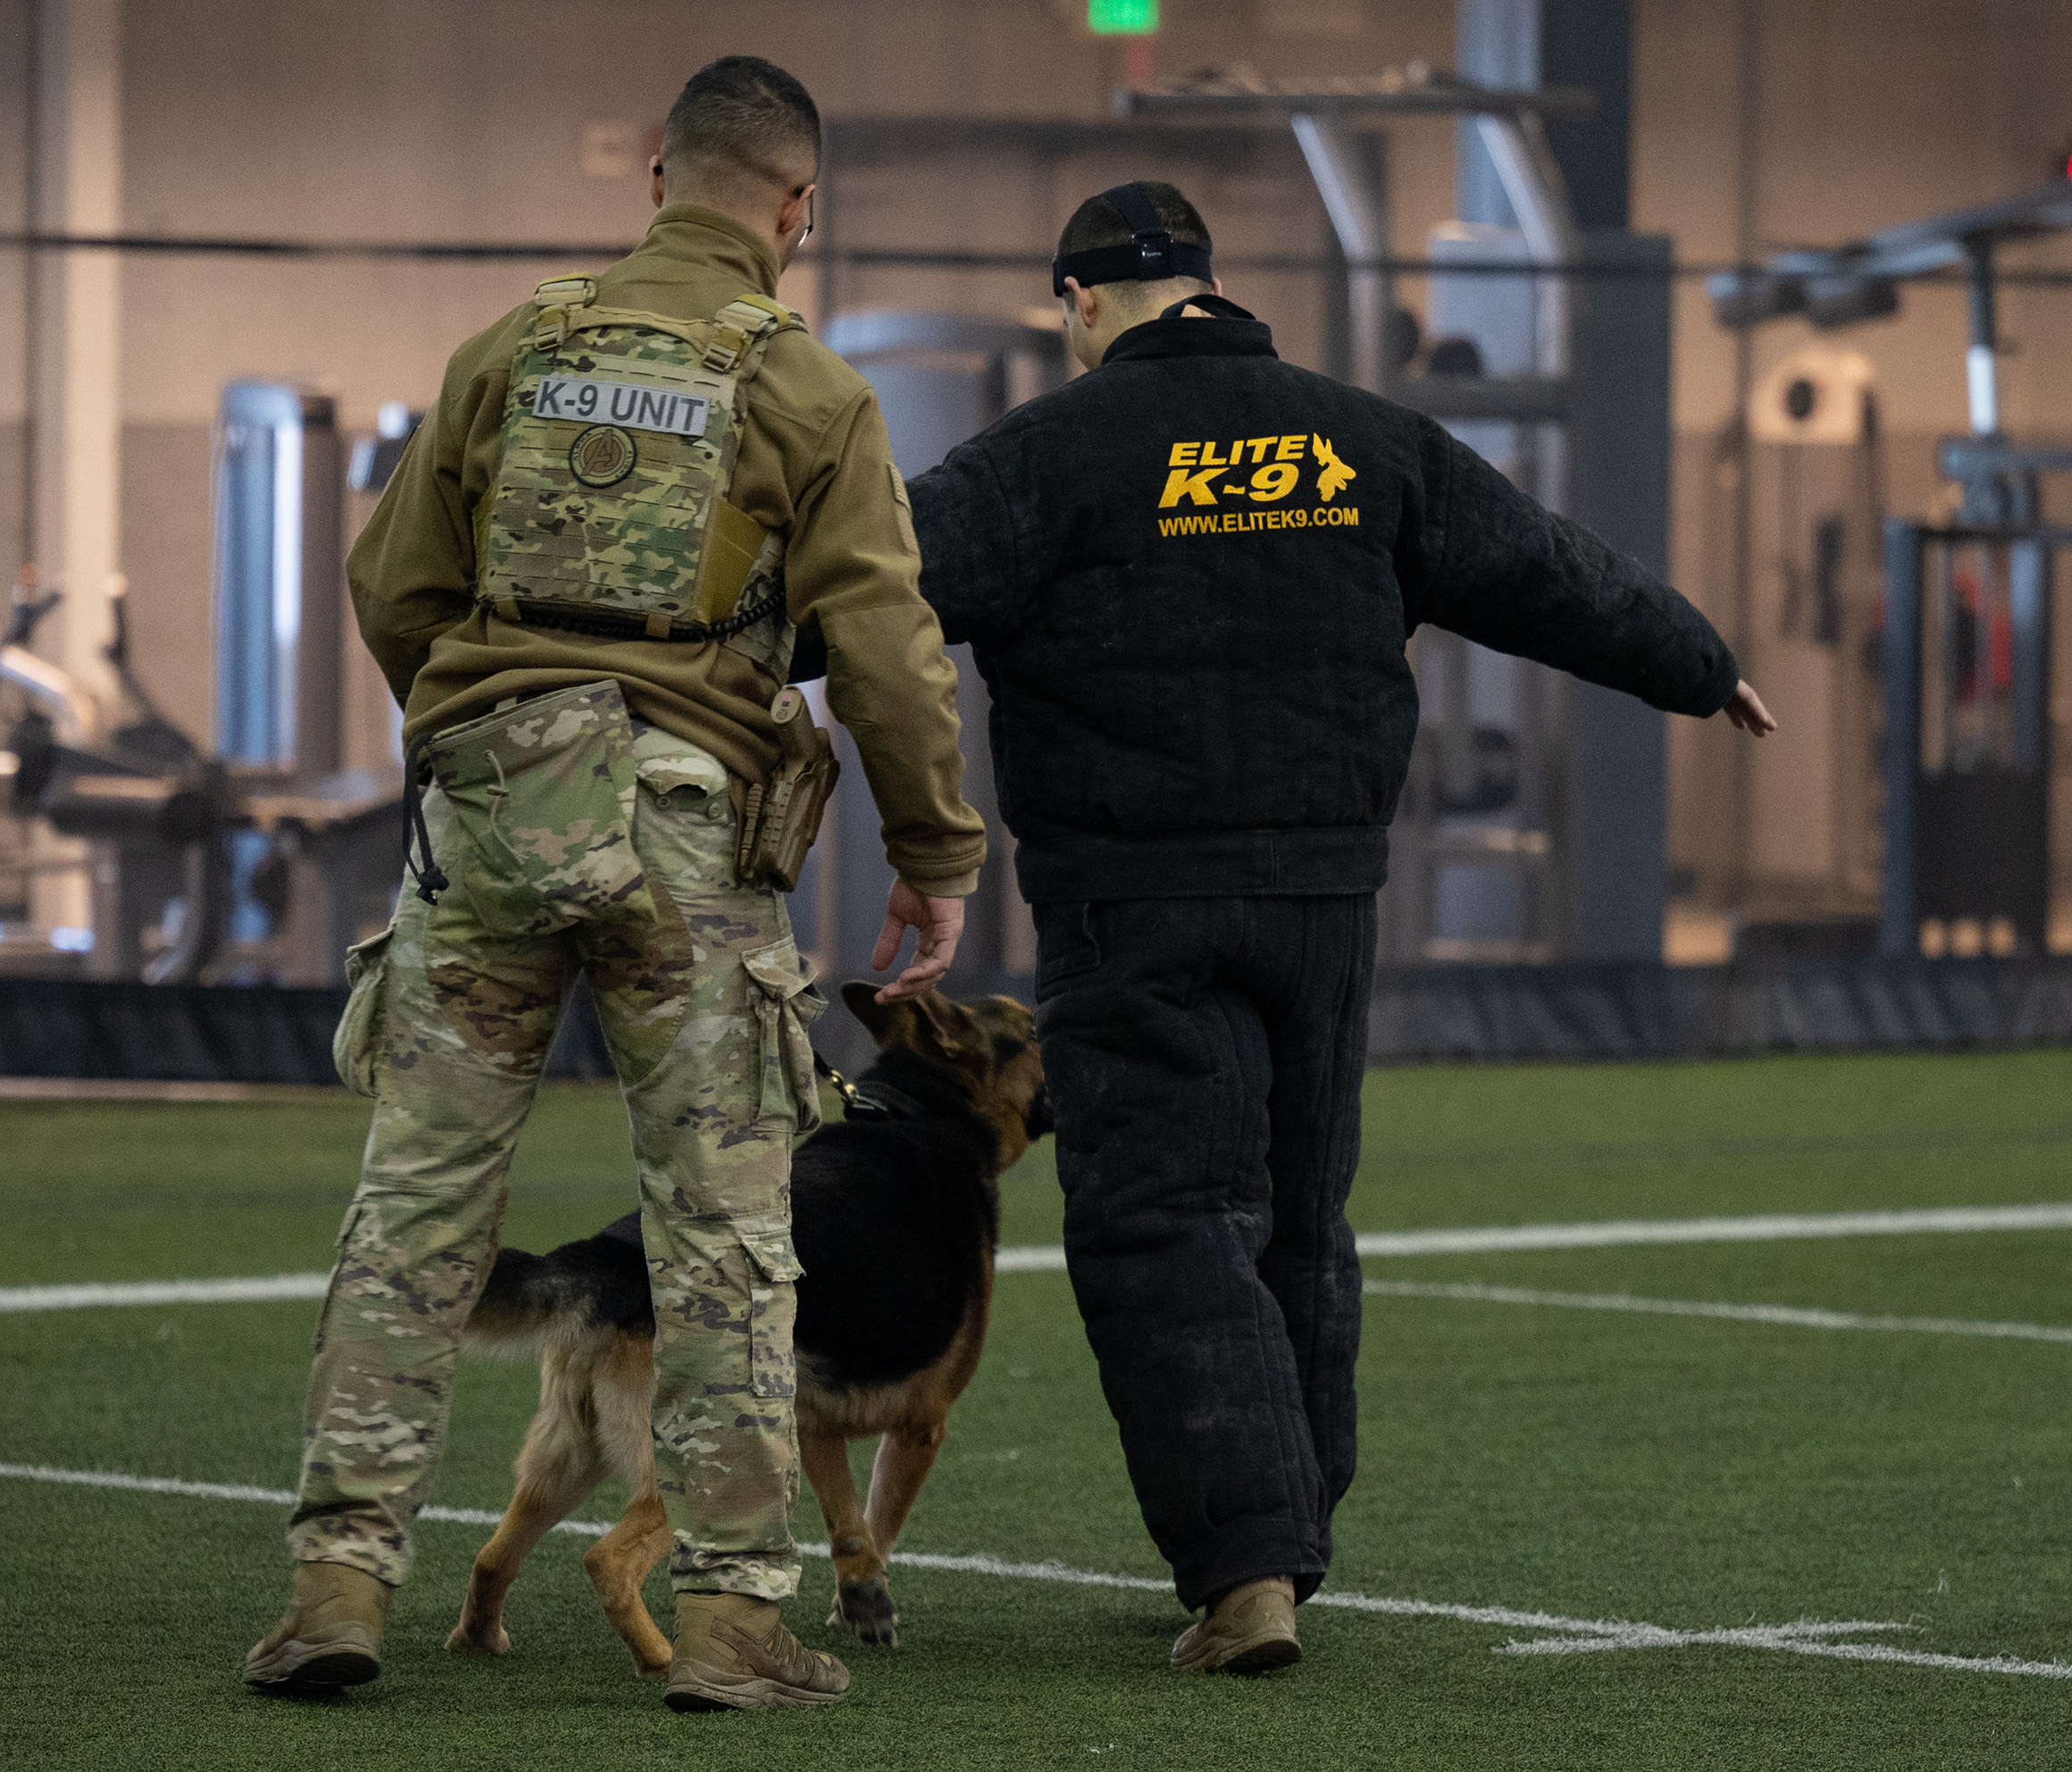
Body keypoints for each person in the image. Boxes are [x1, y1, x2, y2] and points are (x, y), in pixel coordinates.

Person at [903, 182, 1775, 1675]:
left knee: (1166, 1218)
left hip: (1137, 905)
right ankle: (1289, 1535)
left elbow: (863, 590)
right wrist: (1696, 662)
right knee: (1298, 1217)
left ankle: (1248, 1566)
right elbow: (1545, 569)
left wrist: (693, 643)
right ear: (1209, 283)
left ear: (1080, 302)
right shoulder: (1358, 437)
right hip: (1322, 905)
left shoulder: (1047, 457)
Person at [241, 55, 983, 1713]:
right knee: (725, 1241)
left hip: (492, 819)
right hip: (684, 840)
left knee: (416, 1215)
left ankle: (335, 1593)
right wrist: (936, 854)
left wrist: (496, 713)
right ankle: (730, 1631)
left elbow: (397, 585)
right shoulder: (810, 393)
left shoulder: (513, 349)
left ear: (655, 179)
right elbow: (881, 647)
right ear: (798, 210)